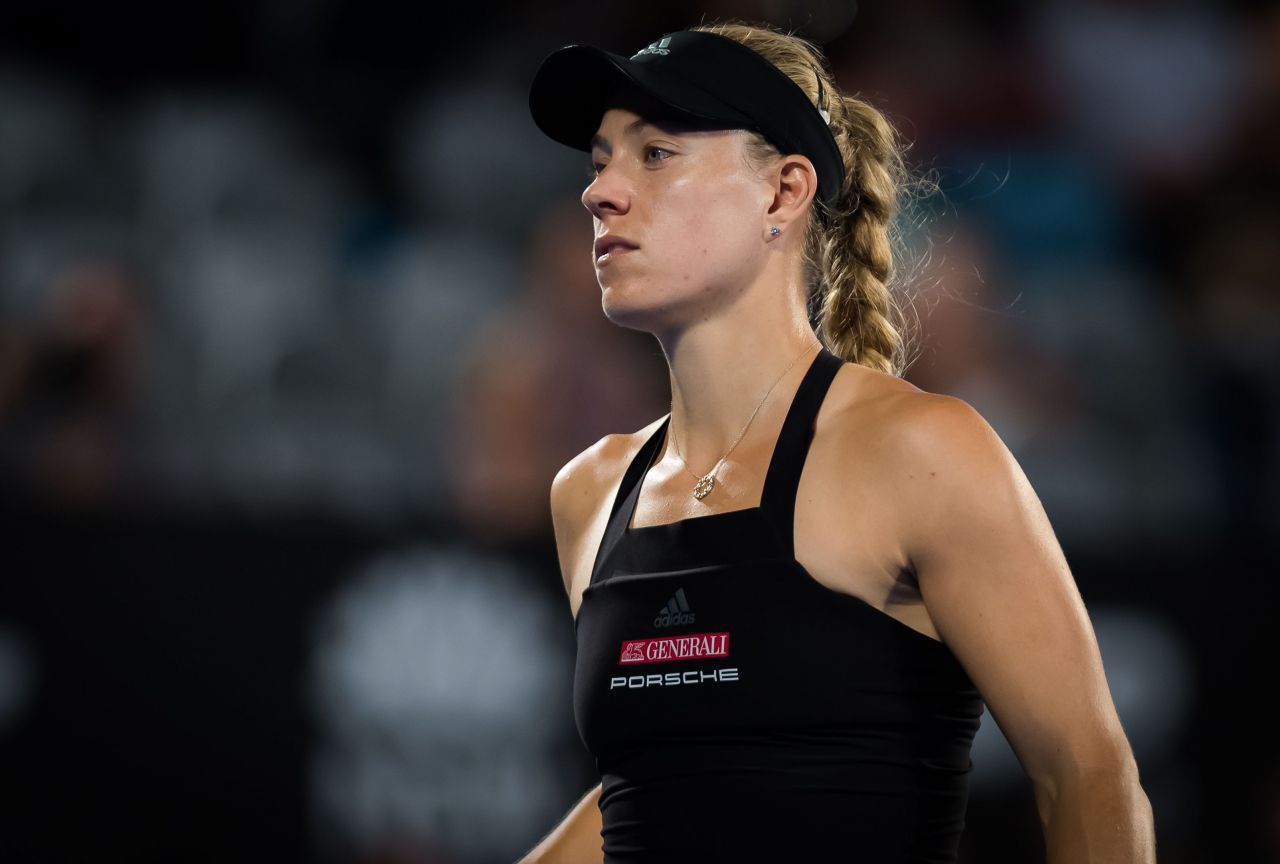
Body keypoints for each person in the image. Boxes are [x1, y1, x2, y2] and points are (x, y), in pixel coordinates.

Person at [519, 20, 1155, 863]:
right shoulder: (591, 493)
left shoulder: (921, 451)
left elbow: (1087, 776)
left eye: (655, 154)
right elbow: (661, 793)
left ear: (783, 193)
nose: (600, 192)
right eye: (600, 159)